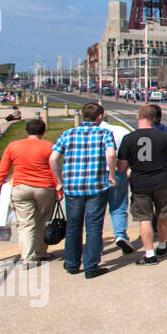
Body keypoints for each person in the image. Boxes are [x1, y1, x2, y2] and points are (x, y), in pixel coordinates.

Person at [50, 102, 118, 278]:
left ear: (82, 115)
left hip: (72, 189)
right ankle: (91, 266)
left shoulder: (67, 134)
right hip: (96, 186)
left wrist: (59, 181)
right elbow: (111, 155)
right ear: (100, 117)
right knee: (94, 226)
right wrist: (111, 175)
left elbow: (53, 158)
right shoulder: (105, 133)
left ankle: (72, 264)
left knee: (74, 226)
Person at [118, 104, 167, 265]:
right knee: (163, 214)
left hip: (140, 182)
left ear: (137, 118)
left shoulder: (128, 139)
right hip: (162, 180)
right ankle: (162, 245)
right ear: (154, 118)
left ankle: (149, 254)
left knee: (144, 218)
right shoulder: (163, 136)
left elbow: (122, 166)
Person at [0, 118, 58, 267]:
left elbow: (2, 170)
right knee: (43, 221)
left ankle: (28, 257)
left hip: (21, 187)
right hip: (44, 187)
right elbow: (53, 169)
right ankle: (41, 251)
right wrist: (58, 189)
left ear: (27, 131)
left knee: (25, 224)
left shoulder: (13, 146)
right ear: (43, 131)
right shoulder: (49, 146)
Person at [99, 113, 134, 255]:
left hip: (95, 174)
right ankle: (120, 235)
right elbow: (132, 150)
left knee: (96, 210)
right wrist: (129, 168)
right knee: (119, 205)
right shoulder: (120, 130)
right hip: (118, 172)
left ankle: (96, 243)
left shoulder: (81, 133)